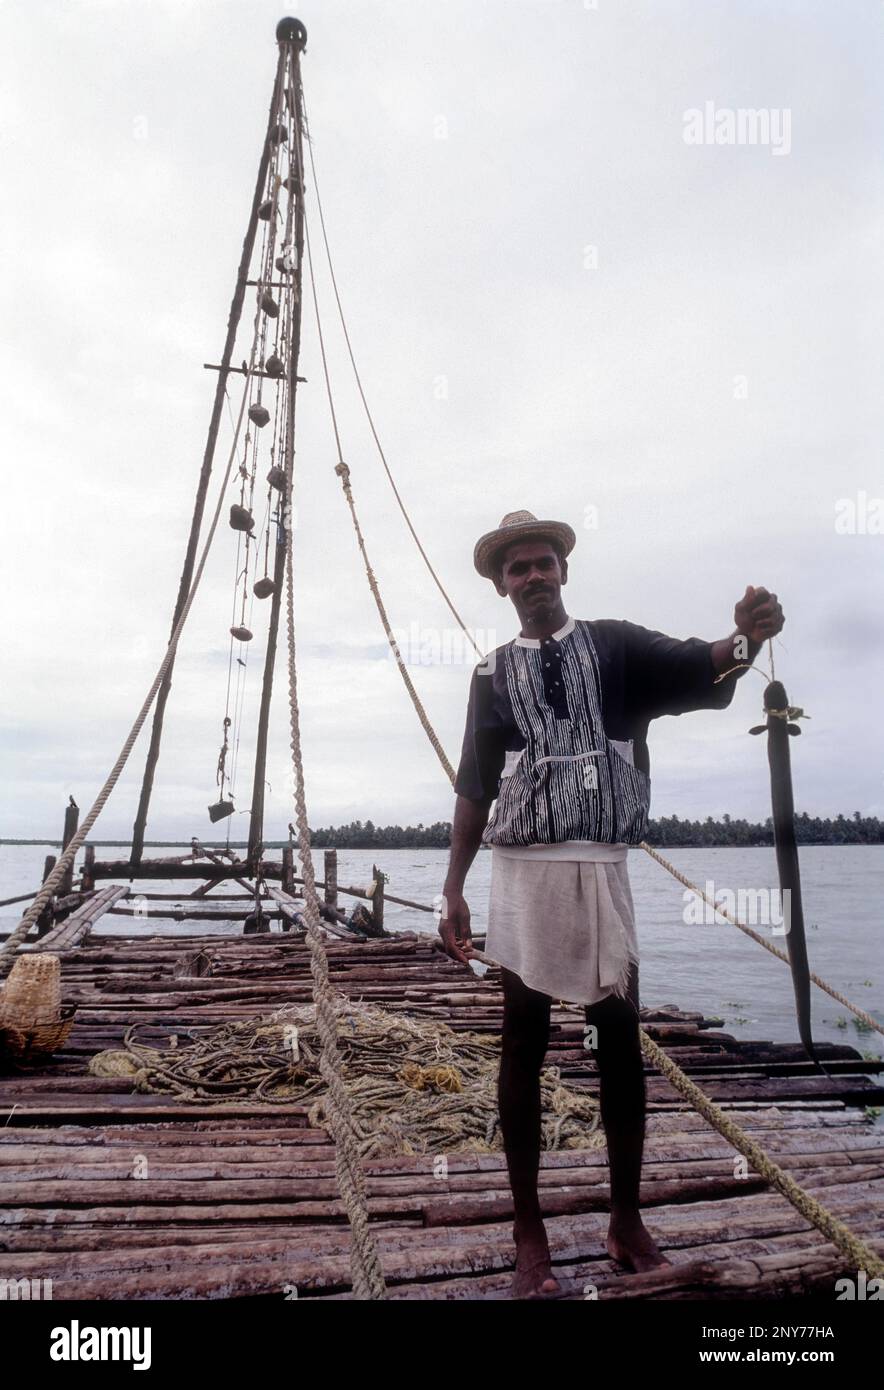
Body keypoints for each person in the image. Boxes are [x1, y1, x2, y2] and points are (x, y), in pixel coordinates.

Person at [437, 509, 785, 1299]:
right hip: (522, 874)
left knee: (619, 1046)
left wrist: (747, 640)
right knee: (521, 1047)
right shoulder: (490, 675)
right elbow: (472, 786)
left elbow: (703, 664)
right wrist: (452, 888)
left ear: (564, 569)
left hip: (603, 868)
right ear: (501, 585)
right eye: (518, 569)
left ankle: (626, 1220)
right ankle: (530, 1232)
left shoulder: (619, 647)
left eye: (544, 562)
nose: (534, 577)